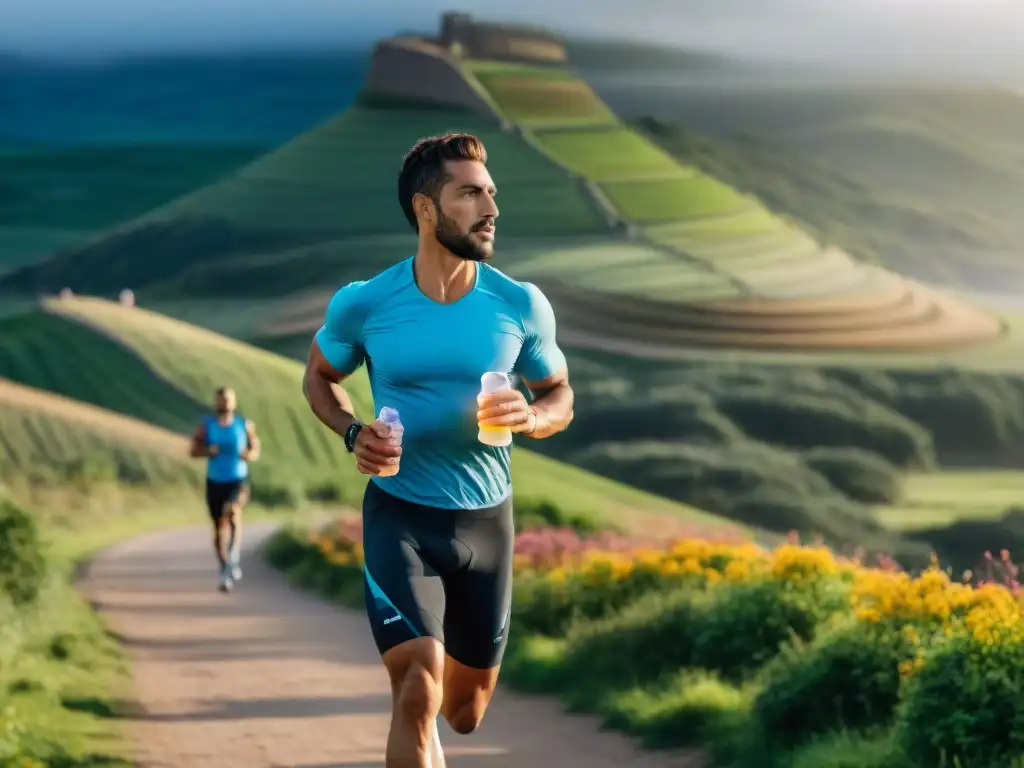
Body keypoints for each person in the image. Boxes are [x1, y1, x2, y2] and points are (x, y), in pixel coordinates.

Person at [302, 133, 574, 767]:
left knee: (463, 711)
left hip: (487, 522)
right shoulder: (366, 303)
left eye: (491, 193)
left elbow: (560, 391)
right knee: (418, 687)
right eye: (471, 194)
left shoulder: (520, 304)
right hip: (400, 515)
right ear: (426, 209)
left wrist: (534, 417)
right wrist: (353, 432)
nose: (491, 209)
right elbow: (319, 377)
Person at [189, 386, 261, 593]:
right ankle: (224, 568)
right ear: (215, 403)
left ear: (234, 403)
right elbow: (193, 450)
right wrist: (207, 451)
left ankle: (233, 558)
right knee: (219, 527)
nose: (224, 404)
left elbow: (255, 449)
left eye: (227, 400)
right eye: (220, 401)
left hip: (238, 479)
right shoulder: (206, 426)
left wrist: (248, 454)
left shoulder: (244, 425)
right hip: (215, 480)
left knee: (233, 512)